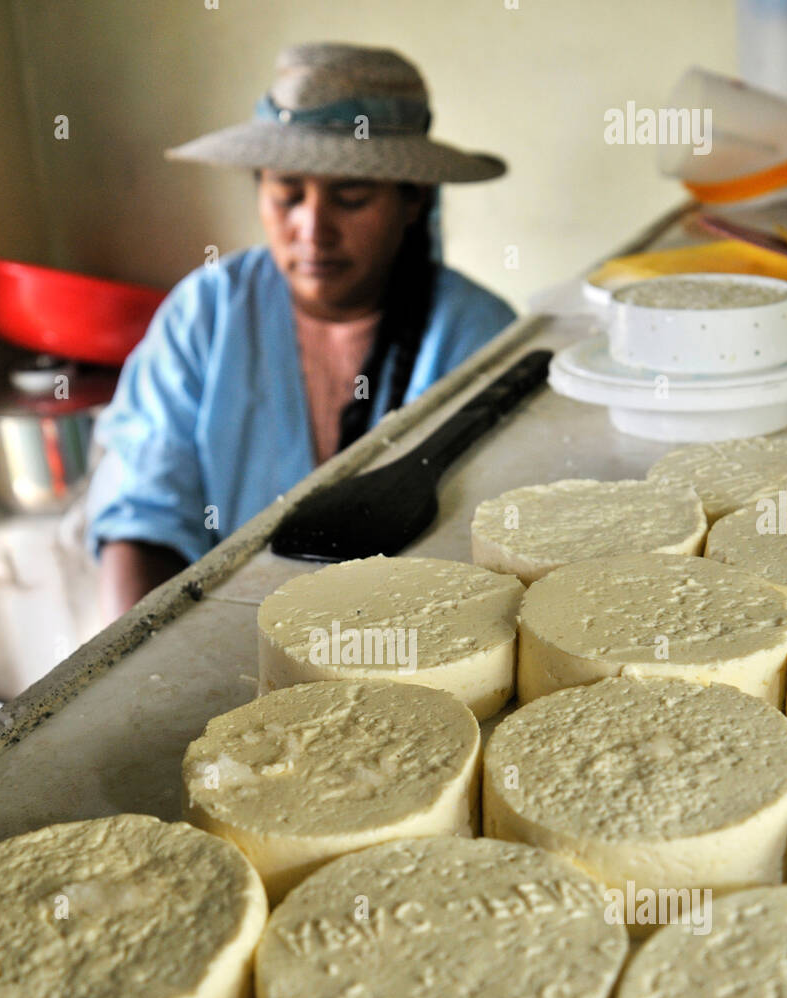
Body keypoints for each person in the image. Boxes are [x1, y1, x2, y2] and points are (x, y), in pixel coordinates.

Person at [86, 42, 517, 619]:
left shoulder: (479, 336)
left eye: (352, 197)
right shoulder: (207, 312)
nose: (313, 229)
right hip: (223, 641)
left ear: (411, 202)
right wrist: (140, 667)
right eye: (288, 193)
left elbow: (492, 551)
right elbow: (143, 513)